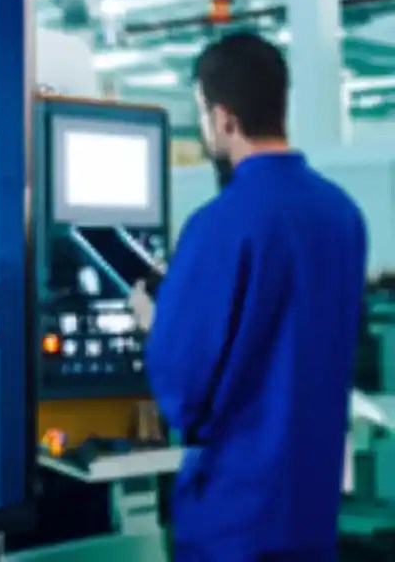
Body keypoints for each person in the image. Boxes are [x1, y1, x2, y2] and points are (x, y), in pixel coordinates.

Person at [129, 32, 367, 561]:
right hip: (311, 517)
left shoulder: (219, 225)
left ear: (225, 119)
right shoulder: (343, 217)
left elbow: (185, 387)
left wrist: (157, 324)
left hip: (234, 525)